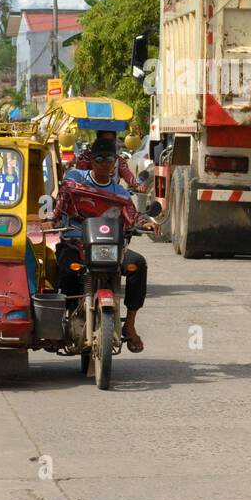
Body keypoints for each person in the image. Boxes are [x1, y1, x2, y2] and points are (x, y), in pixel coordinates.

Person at [52, 136, 157, 352]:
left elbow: (132, 216)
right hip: (76, 243)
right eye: (99, 158)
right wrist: (51, 219)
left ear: (115, 162)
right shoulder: (74, 179)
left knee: (138, 264)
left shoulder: (120, 193)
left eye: (109, 159)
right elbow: (60, 206)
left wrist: (145, 223)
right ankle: (64, 318)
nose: (104, 163)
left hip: (109, 248)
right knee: (64, 269)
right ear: (90, 160)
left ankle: (129, 324)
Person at [74, 131, 145, 193]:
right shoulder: (85, 158)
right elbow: (77, 177)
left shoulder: (119, 160)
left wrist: (137, 185)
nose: (105, 164)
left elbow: (127, 173)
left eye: (109, 160)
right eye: (99, 160)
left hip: (112, 200)